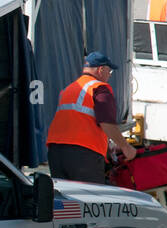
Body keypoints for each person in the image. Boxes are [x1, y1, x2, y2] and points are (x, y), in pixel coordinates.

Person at [45, 51, 136, 185]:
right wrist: (126, 147)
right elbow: (107, 124)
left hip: (56, 152)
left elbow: (78, 122)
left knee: (65, 199)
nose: (109, 76)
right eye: (109, 72)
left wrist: (108, 147)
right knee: (88, 199)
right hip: (83, 156)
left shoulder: (70, 89)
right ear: (101, 69)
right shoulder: (99, 89)